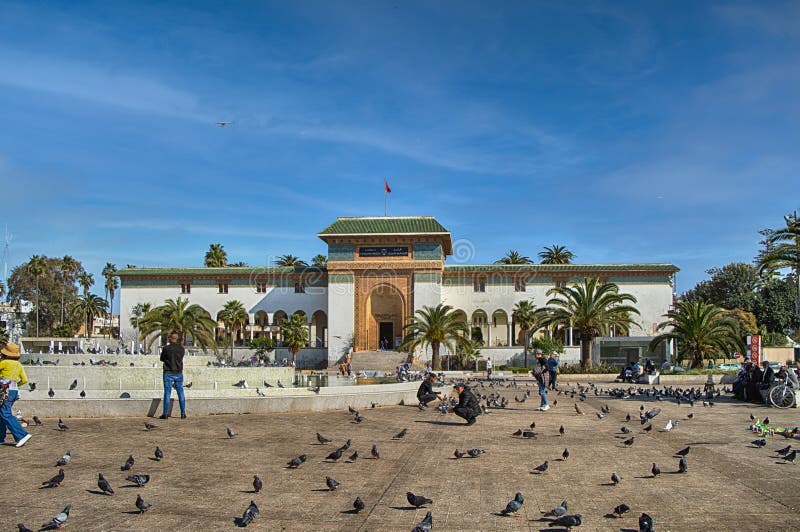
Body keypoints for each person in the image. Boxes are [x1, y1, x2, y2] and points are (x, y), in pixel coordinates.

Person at [0, 343, 32, 447]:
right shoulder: (19, 365)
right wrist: (15, 384)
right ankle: (0, 437)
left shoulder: (4, 363)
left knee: (5, 414)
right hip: (14, 391)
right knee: (2, 414)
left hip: (5, 392)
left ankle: (22, 435)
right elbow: (25, 380)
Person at [159, 332, 187, 419]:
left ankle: (165, 414)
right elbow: (181, 358)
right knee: (180, 393)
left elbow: (162, 359)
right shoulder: (181, 349)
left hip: (168, 372)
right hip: (178, 372)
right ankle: (183, 413)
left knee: (167, 393)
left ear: (170, 338)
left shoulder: (166, 348)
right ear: (177, 338)